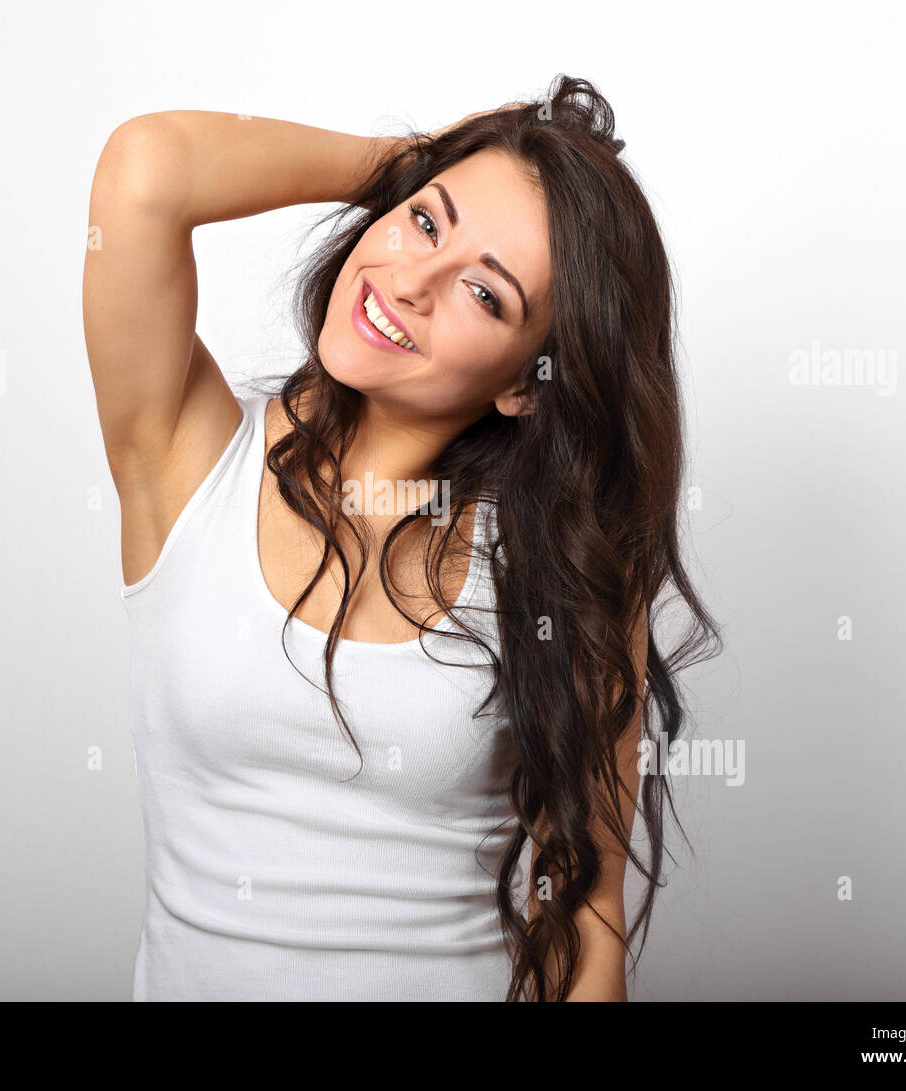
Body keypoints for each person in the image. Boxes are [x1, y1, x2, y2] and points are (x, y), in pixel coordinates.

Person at [82, 73, 720, 1002]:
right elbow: (145, 170)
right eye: (426, 221)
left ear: (527, 385)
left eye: (483, 293)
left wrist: (428, 189)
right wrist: (404, 163)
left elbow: (590, 927)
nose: (410, 283)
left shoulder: (558, 567)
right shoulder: (188, 458)